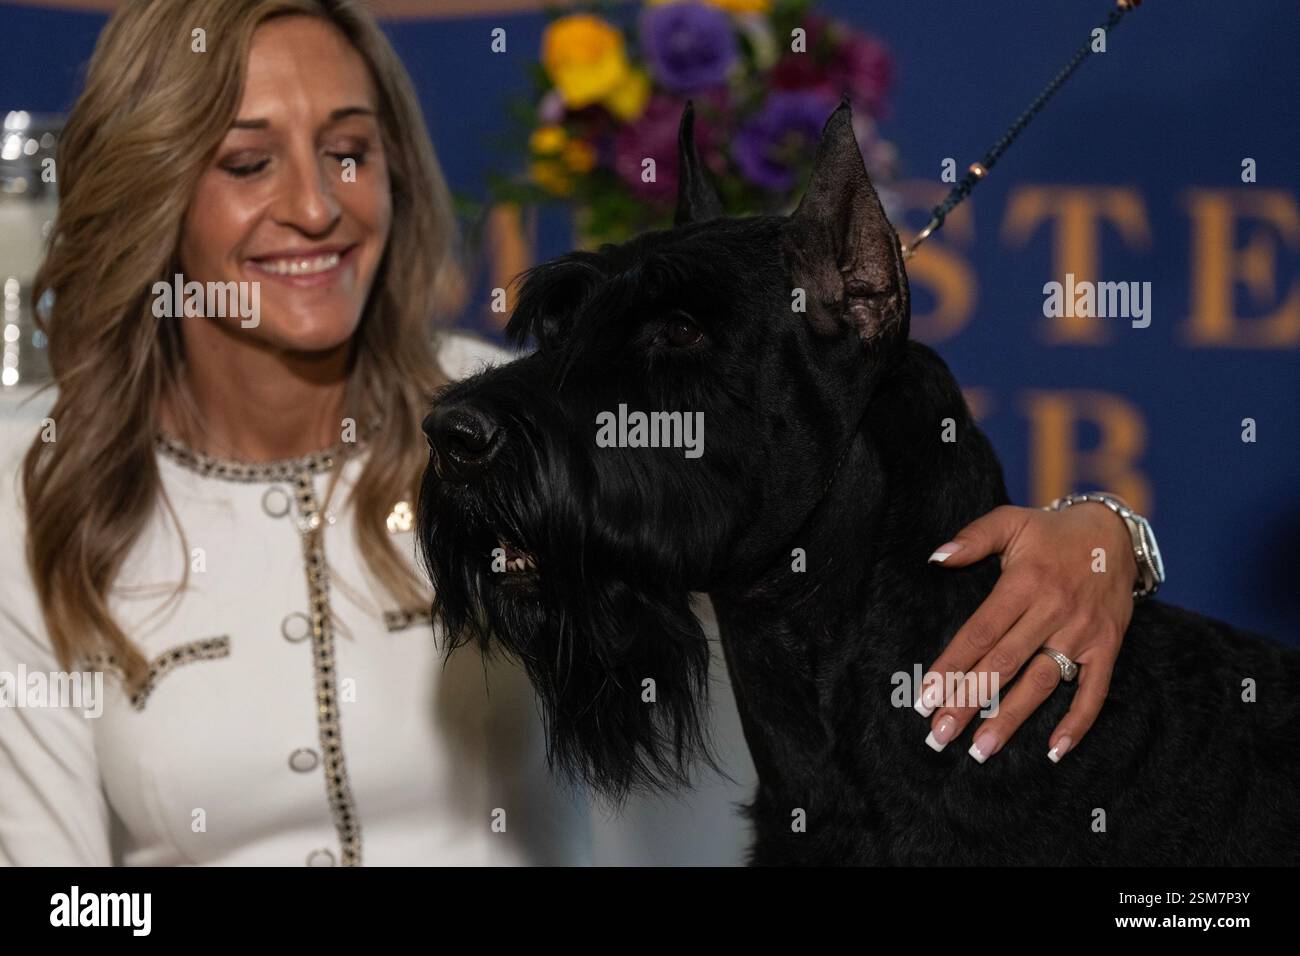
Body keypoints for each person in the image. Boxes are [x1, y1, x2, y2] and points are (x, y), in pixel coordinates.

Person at [0, 0, 1149, 866]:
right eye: (248, 162)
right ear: (151, 190)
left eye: (350, 149)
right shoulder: (29, 478)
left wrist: (1106, 535)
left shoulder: (517, 420)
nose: (316, 203)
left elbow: (854, 532)